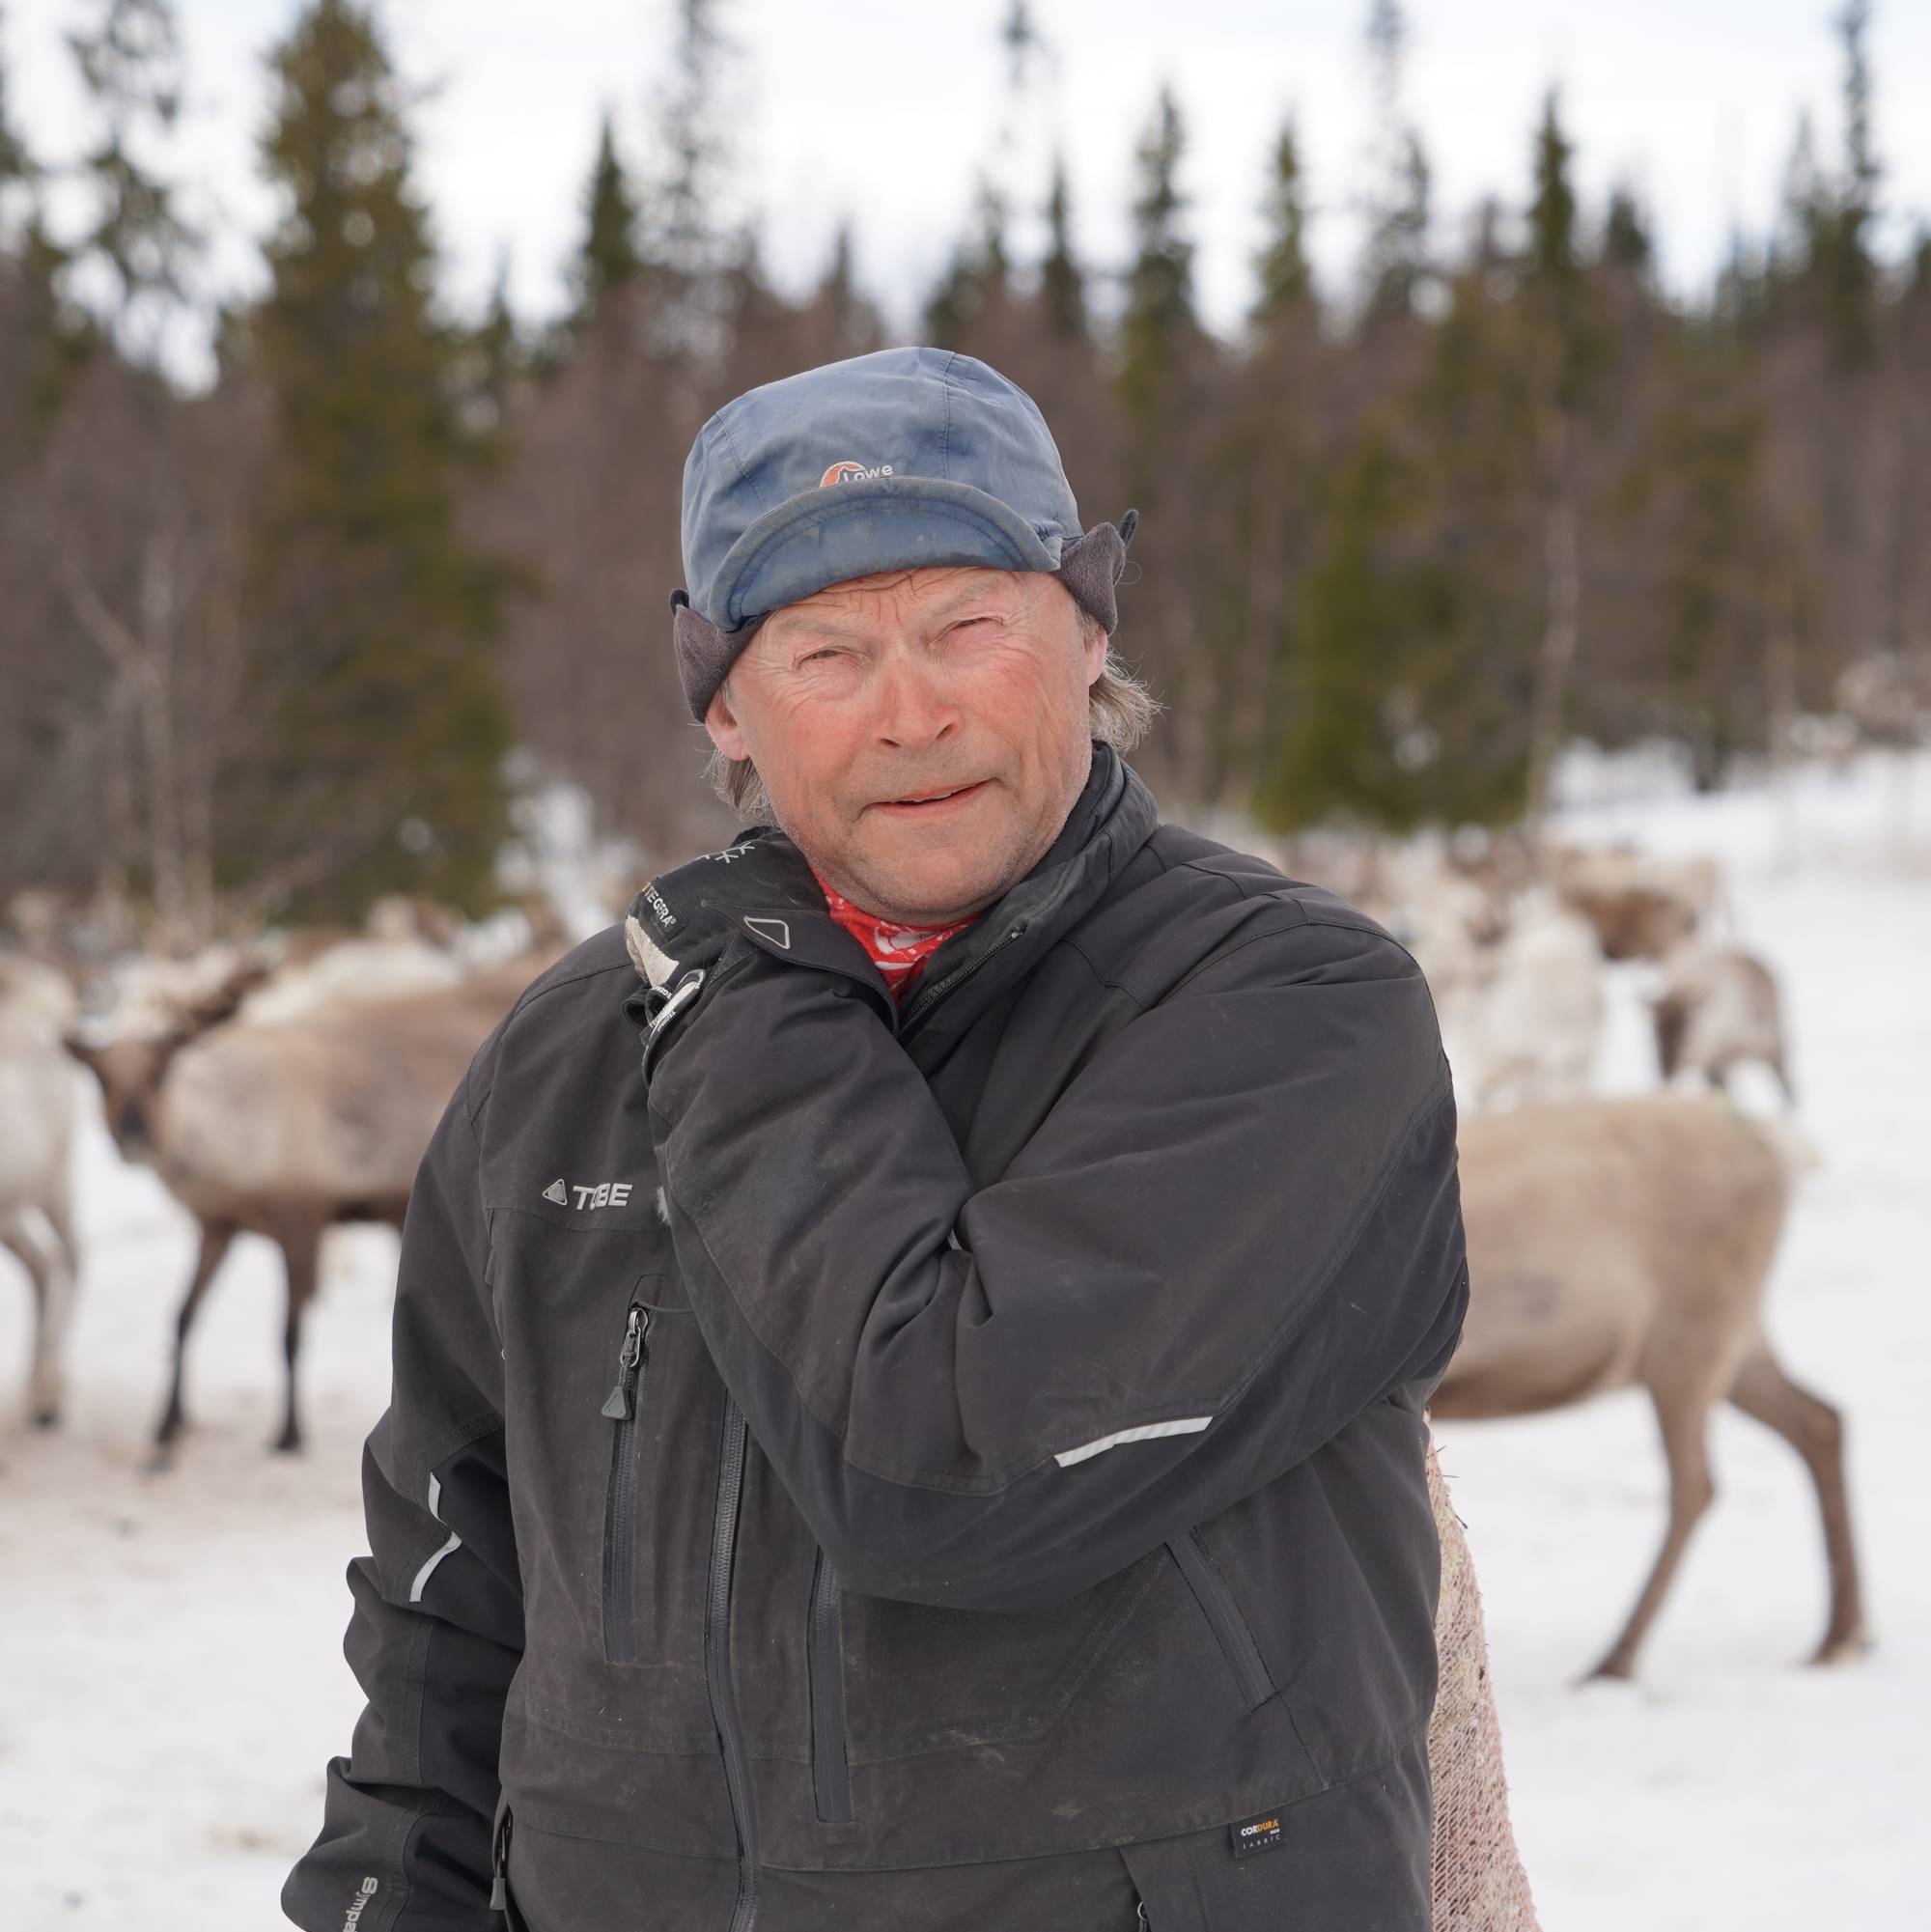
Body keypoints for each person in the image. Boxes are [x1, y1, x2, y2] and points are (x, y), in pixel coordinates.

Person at [284, 347, 1469, 1932]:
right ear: (728, 711)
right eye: (827, 653)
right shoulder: (565, 1056)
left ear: (1089, 632)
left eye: (967, 626)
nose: (912, 714)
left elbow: (954, 1470)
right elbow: (450, 1584)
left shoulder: (1290, 1007)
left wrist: (748, 1000)